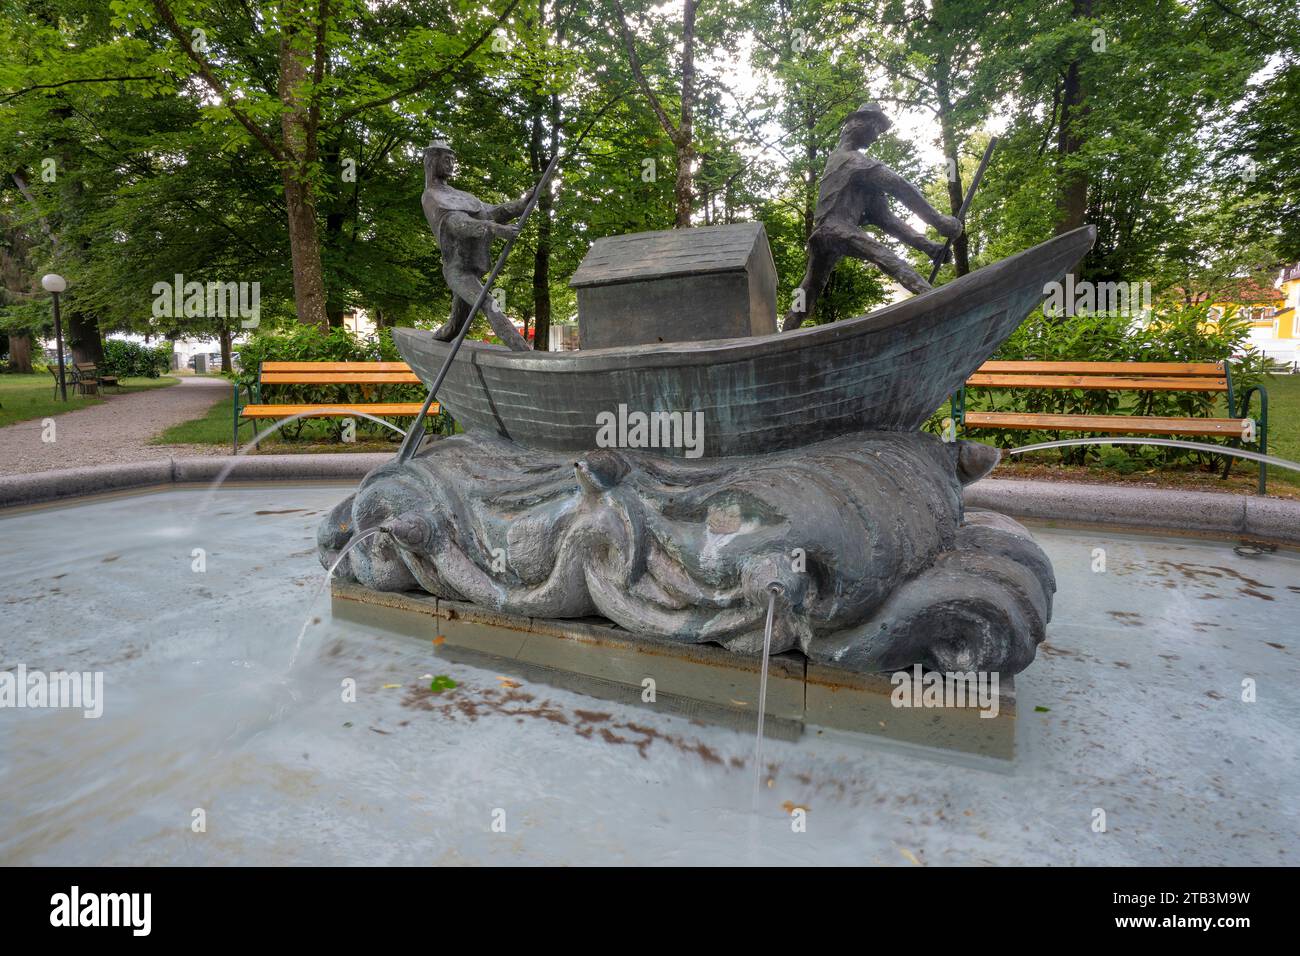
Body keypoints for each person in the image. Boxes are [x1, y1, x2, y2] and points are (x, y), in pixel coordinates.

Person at [783, 103, 963, 331]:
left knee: (810, 288)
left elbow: (886, 219)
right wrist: (939, 222)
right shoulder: (849, 160)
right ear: (859, 124)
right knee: (886, 257)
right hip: (835, 228)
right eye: (875, 128)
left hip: (822, 235)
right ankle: (937, 301)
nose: (876, 137)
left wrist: (928, 246)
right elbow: (899, 186)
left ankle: (786, 332)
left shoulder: (849, 170)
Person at [421, 139, 532, 350]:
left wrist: (521, 204)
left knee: (455, 325)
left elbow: (493, 212)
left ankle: (439, 341)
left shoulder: (461, 195)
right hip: (458, 272)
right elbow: (457, 224)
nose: (451, 163)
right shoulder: (431, 197)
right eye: (446, 159)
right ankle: (525, 353)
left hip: (472, 268)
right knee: (491, 305)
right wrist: (493, 229)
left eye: (453, 159)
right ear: (432, 161)